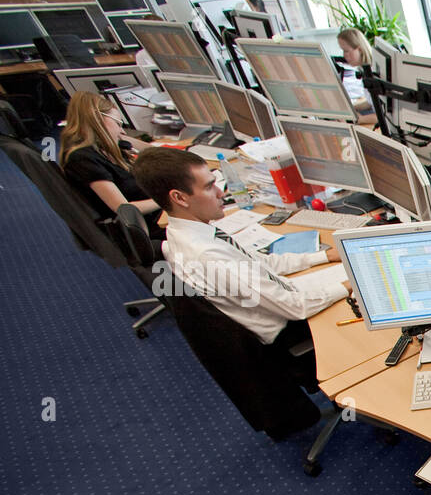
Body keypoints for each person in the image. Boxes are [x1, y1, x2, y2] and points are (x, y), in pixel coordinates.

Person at [132, 146, 352, 369]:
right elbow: (295, 308)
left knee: (355, 270)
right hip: (290, 330)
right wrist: (351, 284)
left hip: (283, 298)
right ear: (179, 198)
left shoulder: (181, 233)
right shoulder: (206, 254)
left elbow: (260, 264)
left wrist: (324, 256)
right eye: (209, 187)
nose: (221, 193)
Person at [60, 92, 163, 238]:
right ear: (98, 120)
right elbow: (124, 209)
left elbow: (154, 152)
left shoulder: (102, 148)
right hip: (146, 229)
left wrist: (119, 136)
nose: (122, 130)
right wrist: (165, 200)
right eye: (118, 123)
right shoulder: (83, 159)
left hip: (156, 214)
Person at [336, 28, 377, 125]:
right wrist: (351, 108)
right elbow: (372, 102)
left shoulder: (375, 74)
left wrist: (360, 119)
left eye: (346, 51)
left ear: (360, 49)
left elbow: (385, 116)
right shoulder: (364, 70)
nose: (344, 55)